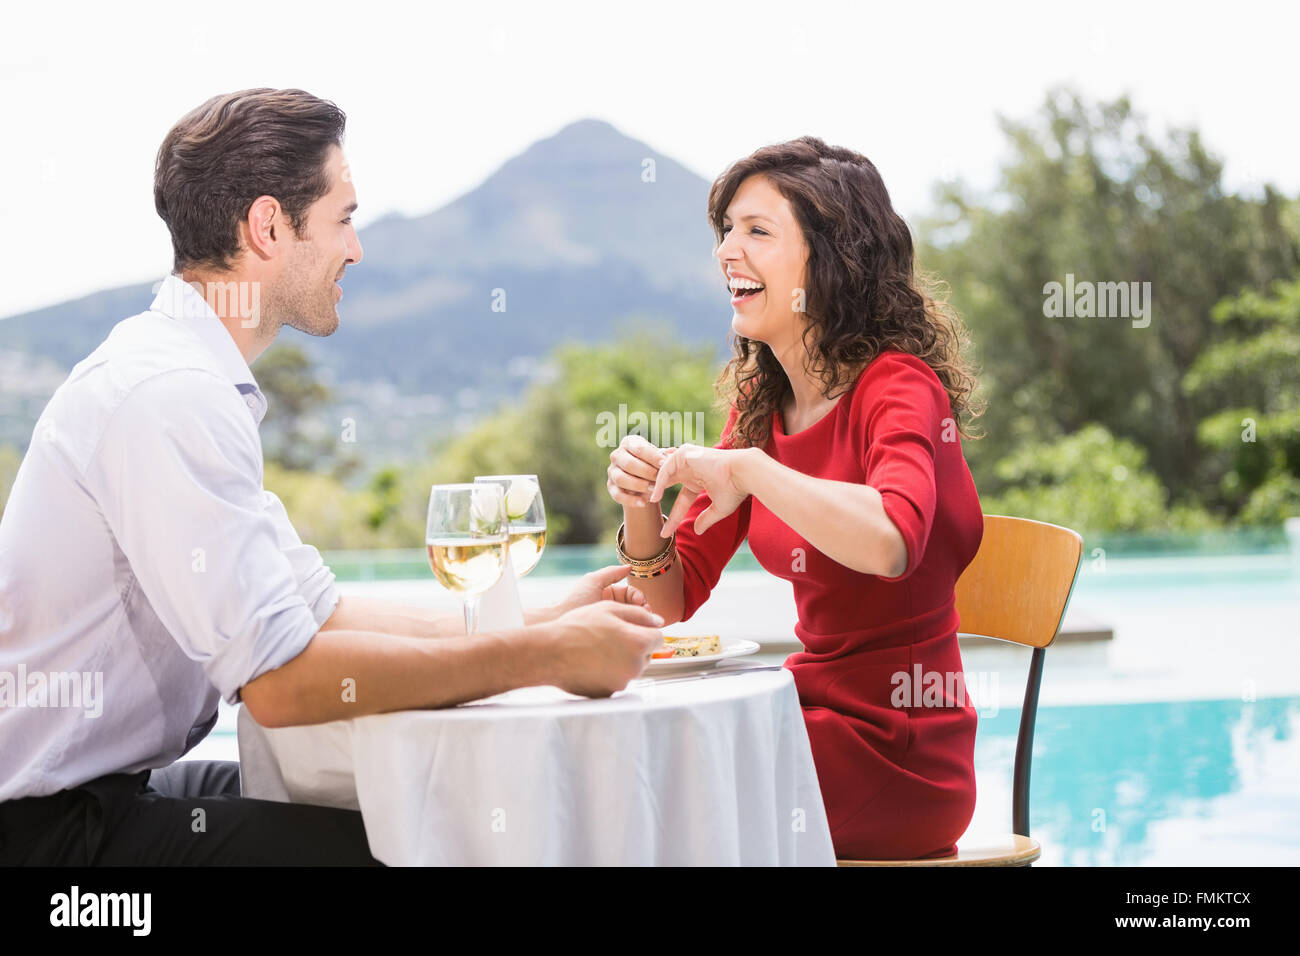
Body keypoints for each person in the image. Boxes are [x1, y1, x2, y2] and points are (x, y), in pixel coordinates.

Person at [0, 88, 664, 866]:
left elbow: (320, 614)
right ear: (269, 226)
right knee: (388, 853)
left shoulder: (184, 378)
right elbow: (280, 686)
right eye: (344, 218)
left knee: (409, 809)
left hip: (111, 793)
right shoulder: (165, 395)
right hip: (48, 839)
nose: (357, 248)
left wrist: (540, 621)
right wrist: (545, 657)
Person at [607, 137, 985, 860]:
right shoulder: (761, 403)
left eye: (757, 231)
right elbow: (669, 603)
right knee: (635, 772)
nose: (726, 251)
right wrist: (641, 504)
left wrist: (749, 471)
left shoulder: (899, 387)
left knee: (661, 801)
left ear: (832, 258)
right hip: (801, 714)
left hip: (900, 750)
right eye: (725, 231)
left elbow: (891, 541)